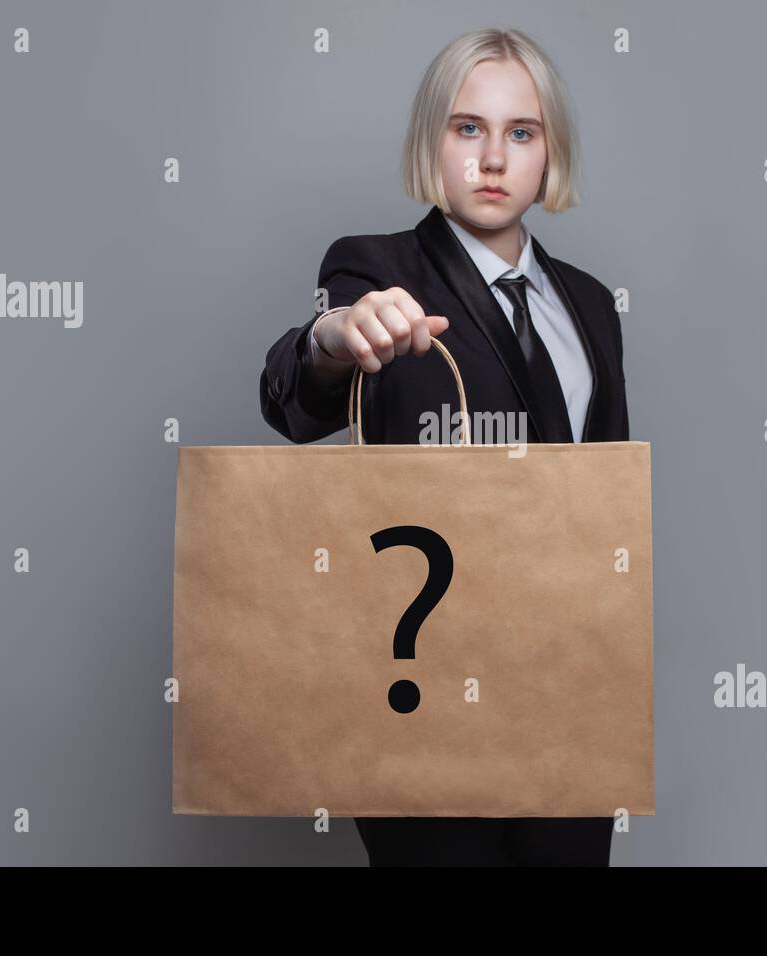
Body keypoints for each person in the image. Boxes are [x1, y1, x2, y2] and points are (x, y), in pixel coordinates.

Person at [260, 27, 628, 866]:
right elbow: (293, 396)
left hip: (566, 689)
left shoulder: (593, 306)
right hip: (421, 683)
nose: (492, 157)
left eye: (520, 132)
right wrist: (333, 334)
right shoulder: (374, 268)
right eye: (467, 128)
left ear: (549, 151)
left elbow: (610, 504)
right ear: (433, 141)